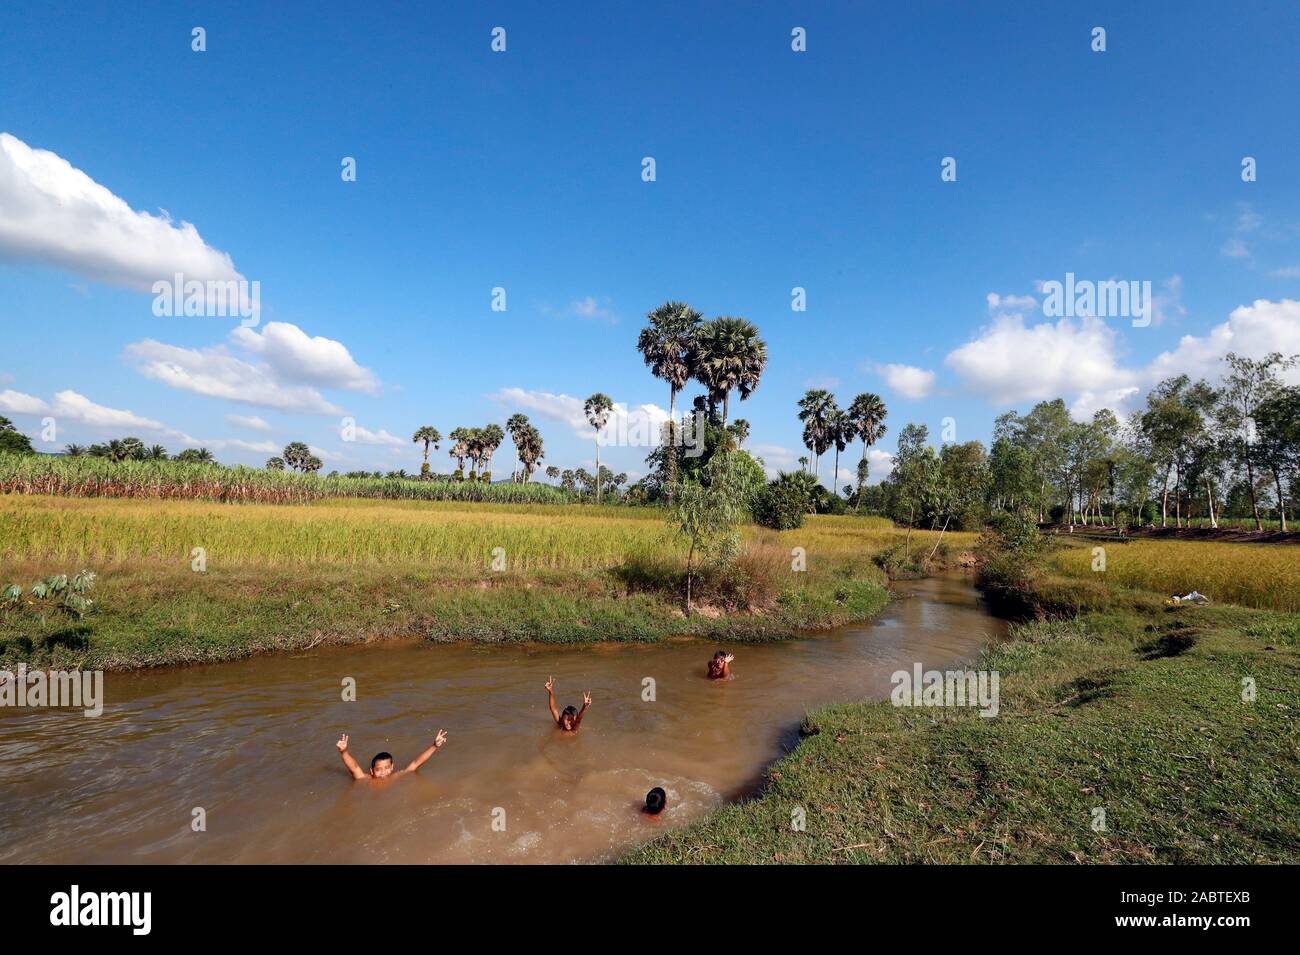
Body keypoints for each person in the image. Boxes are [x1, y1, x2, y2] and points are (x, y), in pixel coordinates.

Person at [336, 730, 447, 781]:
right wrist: (344, 752)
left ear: (392, 767)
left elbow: (416, 763)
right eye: (378, 770)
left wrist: (434, 746)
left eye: (387, 768)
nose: (384, 772)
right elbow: (354, 768)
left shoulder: (396, 776)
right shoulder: (367, 779)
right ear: (371, 771)